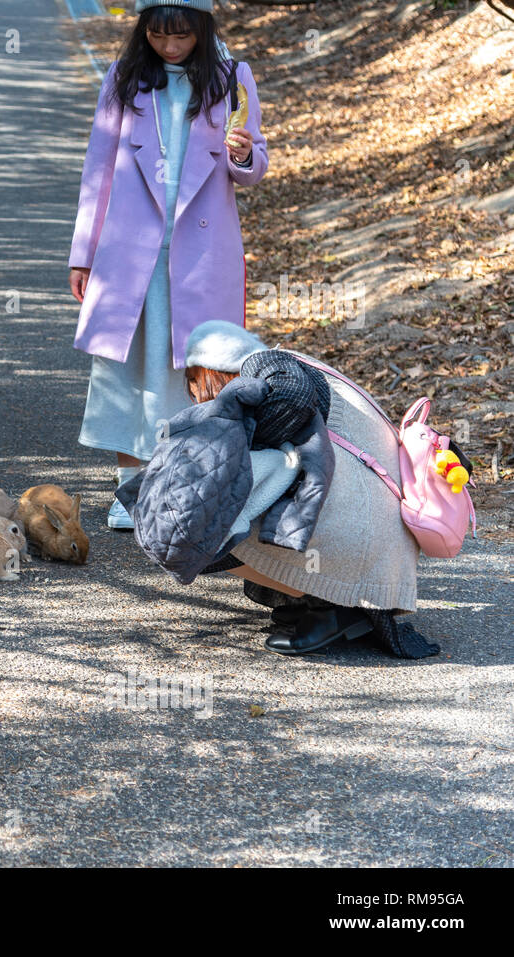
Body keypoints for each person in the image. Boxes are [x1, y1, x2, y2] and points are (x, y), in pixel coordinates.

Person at [128, 321, 441, 659]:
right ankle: (307, 597)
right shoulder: (289, 363)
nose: (192, 393)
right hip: (379, 541)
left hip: (366, 543)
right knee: (232, 499)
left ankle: (334, 607)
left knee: (203, 521)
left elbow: (293, 404)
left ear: (211, 371)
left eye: (193, 380)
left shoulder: (267, 369)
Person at [67, 0, 267, 529]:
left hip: (202, 251)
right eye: (158, 35)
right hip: (129, 250)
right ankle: (129, 491)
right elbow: (99, 166)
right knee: (129, 366)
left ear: (201, 28)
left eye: (181, 35)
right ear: (144, 31)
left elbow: (253, 168)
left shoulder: (231, 79)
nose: (171, 46)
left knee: (196, 370)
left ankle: (188, 490)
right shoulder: (125, 77)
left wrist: (242, 153)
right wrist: (83, 254)